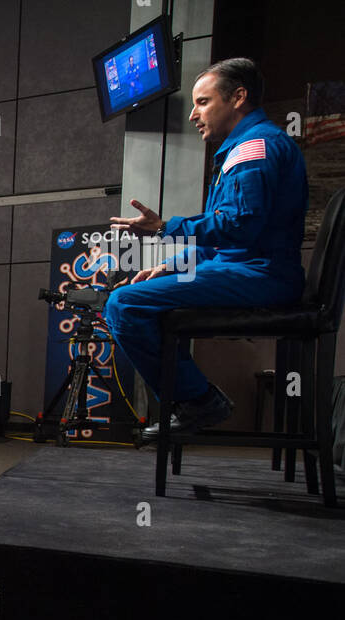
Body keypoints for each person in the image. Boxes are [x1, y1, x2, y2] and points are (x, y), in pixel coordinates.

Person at [104, 58, 308, 440]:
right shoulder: (243, 148)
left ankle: (199, 401)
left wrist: (166, 226)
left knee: (125, 304)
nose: (194, 115)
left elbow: (237, 227)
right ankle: (192, 400)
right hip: (244, 267)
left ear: (238, 97)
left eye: (202, 102)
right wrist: (170, 267)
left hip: (263, 275)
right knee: (136, 298)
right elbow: (222, 242)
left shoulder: (254, 148)